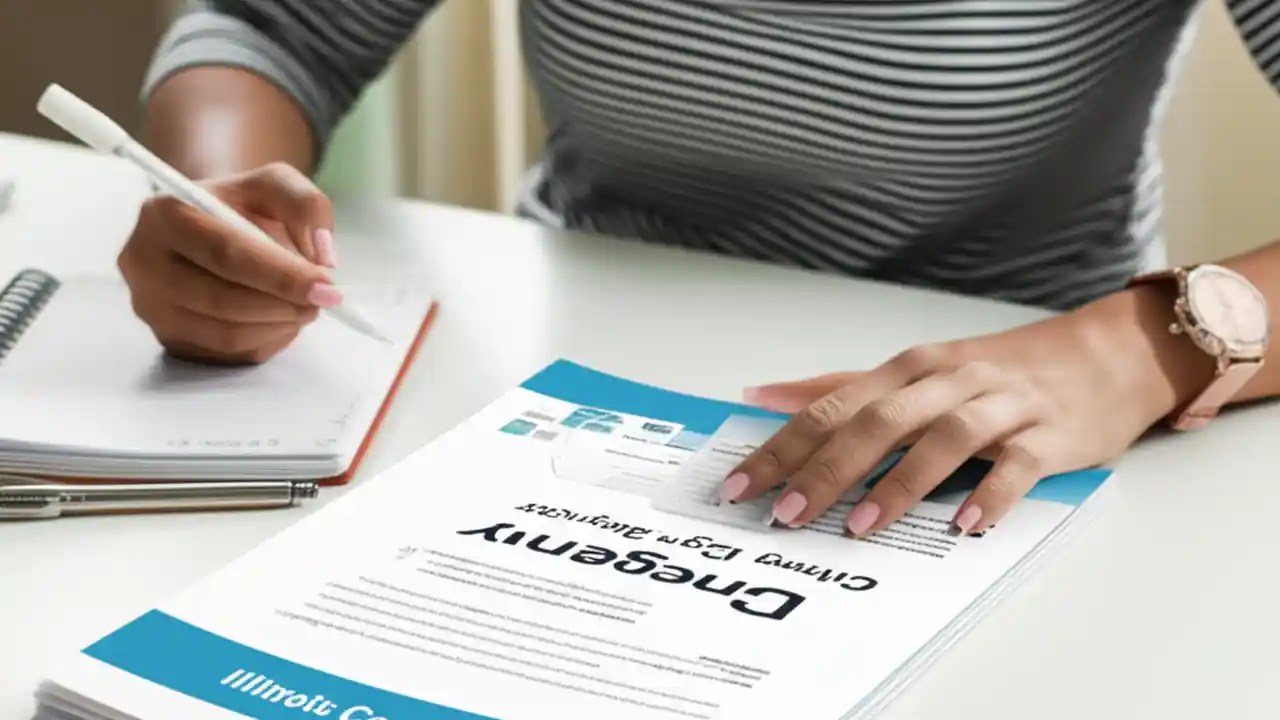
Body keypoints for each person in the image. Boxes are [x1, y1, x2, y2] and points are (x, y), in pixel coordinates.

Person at [132, 0, 1278, 538]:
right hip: (564, 376)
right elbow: (270, 27)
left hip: (1011, 421)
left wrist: (1143, 345)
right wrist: (212, 207)